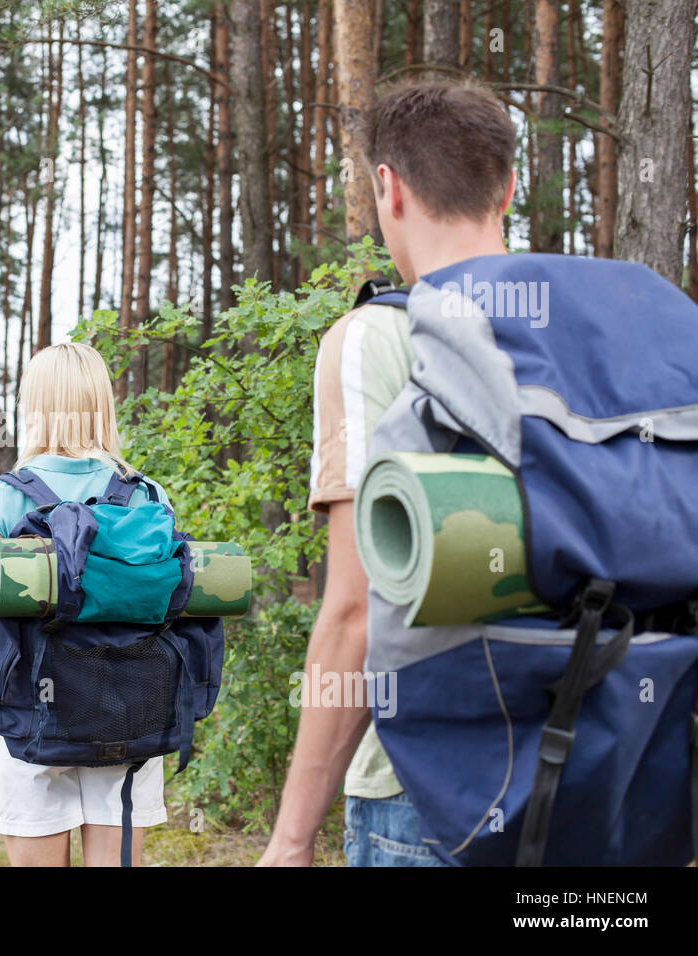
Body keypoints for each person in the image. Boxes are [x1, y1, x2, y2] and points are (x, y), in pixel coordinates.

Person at [259, 79, 519, 867]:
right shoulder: (582, 329)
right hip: (586, 767)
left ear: (388, 187)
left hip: (423, 790)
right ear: (508, 188)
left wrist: (293, 835)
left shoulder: (375, 337)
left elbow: (358, 610)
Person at [0, 341, 175, 866]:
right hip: (128, 716)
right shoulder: (149, 498)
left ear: (32, 406)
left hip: (28, 714)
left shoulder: (1, 499)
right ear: (103, 402)